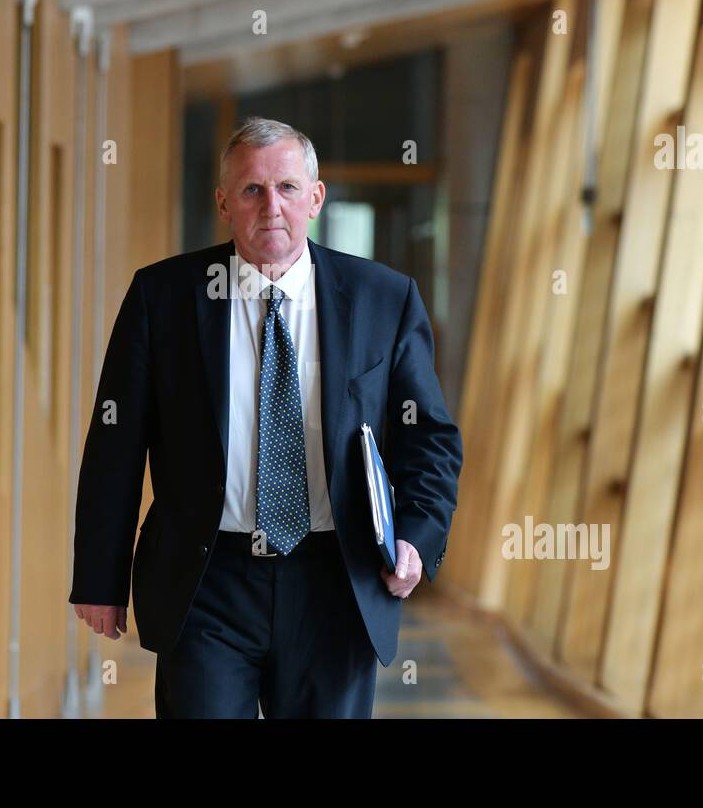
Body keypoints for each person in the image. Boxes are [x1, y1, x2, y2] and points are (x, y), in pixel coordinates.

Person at [69, 116, 462, 718]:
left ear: (316, 198)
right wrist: (101, 575)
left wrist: (415, 536)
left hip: (338, 581)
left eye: (285, 188)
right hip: (208, 583)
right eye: (252, 190)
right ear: (224, 202)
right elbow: (116, 443)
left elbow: (428, 438)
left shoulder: (382, 297)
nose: (270, 206)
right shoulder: (164, 297)